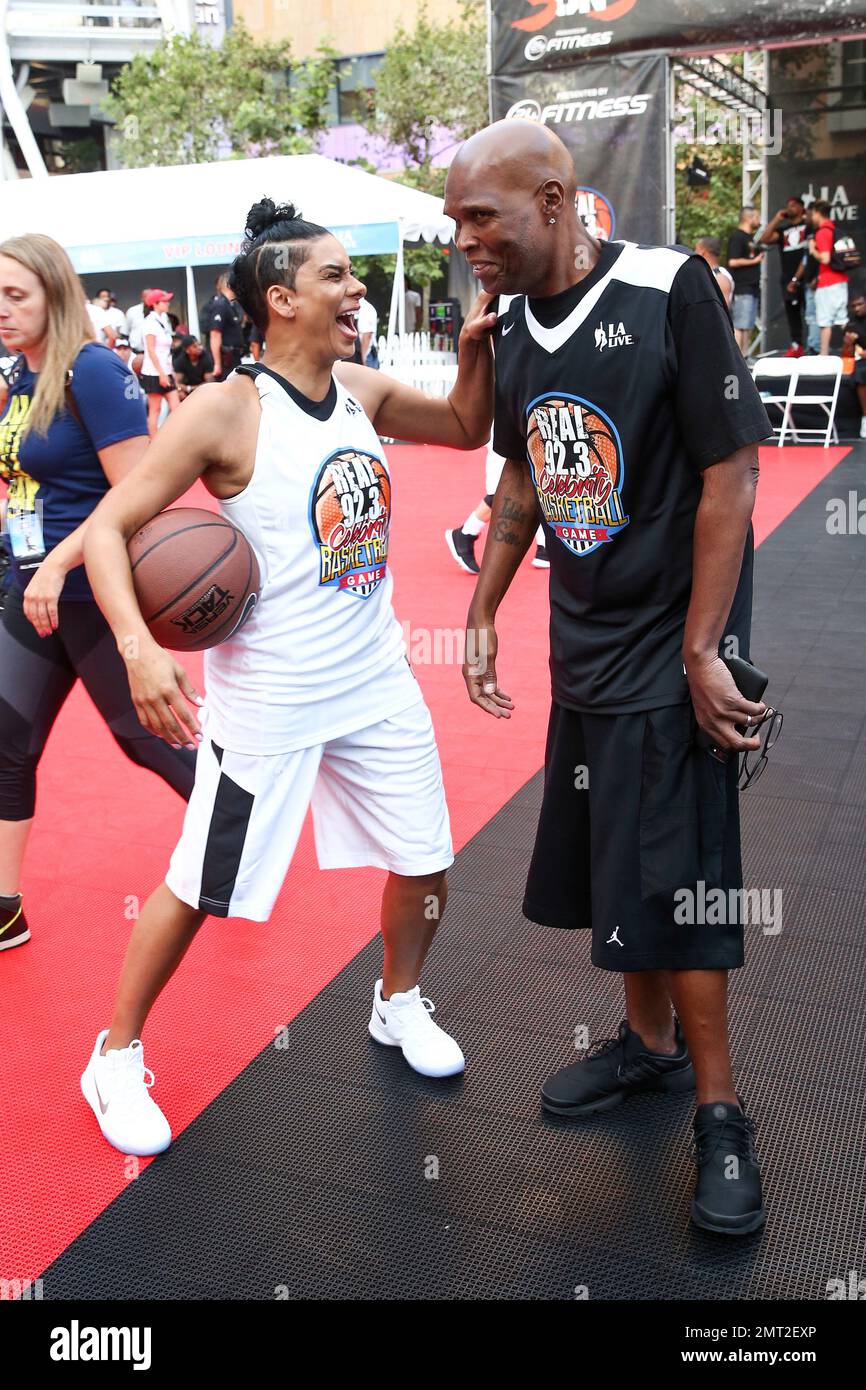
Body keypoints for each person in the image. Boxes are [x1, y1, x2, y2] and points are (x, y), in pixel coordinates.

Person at [79, 196, 496, 1157]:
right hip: (270, 701)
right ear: (281, 299)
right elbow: (107, 531)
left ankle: (397, 1000)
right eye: (336, 277)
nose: (357, 291)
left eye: (354, 275)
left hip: (376, 680)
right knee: (199, 887)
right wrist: (142, 650)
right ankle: (112, 1053)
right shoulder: (225, 410)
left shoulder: (362, 390)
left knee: (426, 856)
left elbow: (471, 425)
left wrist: (477, 341)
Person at [445, 121, 773, 1237]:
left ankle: (721, 1117)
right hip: (583, 641)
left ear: (552, 198)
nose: (463, 240)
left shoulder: (669, 287)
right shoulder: (515, 331)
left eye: (478, 216)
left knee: (680, 879)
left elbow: (731, 472)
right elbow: (525, 479)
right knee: (616, 863)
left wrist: (699, 649)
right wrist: (483, 607)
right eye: (454, 220)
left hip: (670, 639)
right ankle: (646, 1051)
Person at [0, 234, 196, 953]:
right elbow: (29, 484)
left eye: (15, 295)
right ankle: (4, 907)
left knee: (146, 739)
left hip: (88, 592)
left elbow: (138, 495)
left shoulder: (94, 370)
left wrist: (56, 563)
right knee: (6, 744)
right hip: (26, 593)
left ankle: (236, 827)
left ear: (54, 292)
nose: (1, 309)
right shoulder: (22, 375)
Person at [445, 441, 548, 574]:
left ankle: (544, 546)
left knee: (538, 482)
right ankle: (466, 533)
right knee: (504, 492)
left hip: (526, 428)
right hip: (502, 430)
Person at [757, 196, 808, 356]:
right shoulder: (783, 230)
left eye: (794, 205)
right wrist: (777, 219)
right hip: (787, 277)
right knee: (792, 313)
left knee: (812, 312)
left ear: (801, 207)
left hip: (807, 277)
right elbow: (763, 239)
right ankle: (796, 345)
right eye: (788, 205)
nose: (790, 208)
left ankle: (815, 347)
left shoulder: (808, 227)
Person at [808, 200, 849, 355]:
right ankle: (858, 349)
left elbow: (825, 259)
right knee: (842, 320)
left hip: (828, 282)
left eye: (813, 214)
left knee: (825, 321)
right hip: (840, 281)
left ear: (818, 213)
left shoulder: (822, 232)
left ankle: (823, 355)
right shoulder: (834, 230)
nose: (811, 218)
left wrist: (813, 250)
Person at [140, 288, 180, 437]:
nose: (167, 303)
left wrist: (171, 372)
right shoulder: (149, 322)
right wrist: (162, 374)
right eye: (164, 301)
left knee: (176, 407)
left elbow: (165, 352)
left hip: (166, 370)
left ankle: (177, 436)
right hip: (154, 372)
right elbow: (151, 350)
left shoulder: (163, 320)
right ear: (155, 304)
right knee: (155, 410)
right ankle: (153, 441)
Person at [727, 207, 764, 354]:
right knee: (740, 324)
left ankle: (746, 355)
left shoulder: (750, 238)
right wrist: (754, 261)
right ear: (749, 218)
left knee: (748, 324)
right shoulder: (737, 236)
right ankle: (738, 358)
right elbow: (733, 262)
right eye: (757, 216)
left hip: (753, 286)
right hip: (742, 286)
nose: (759, 220)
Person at [200, 273, 245, 381]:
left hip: (234, 356)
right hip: (225, 358)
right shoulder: (220, 305)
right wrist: (217, 363)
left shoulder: (232, 305)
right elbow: (215, 334)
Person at [843, 292, 866, 438]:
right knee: (861, 373)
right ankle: (865, 417)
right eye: (854, 306)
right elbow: (847, 355)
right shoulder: (851, 325)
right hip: (862, 361)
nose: (857, 308)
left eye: (860, 304)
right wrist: (848, 344)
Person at [694, 236, 734, 309]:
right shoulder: (707, 273)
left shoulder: (720, 277)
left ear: (702, 252)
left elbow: (721, 310)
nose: (694, 253)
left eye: (696, 249)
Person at [358, 295, 379, 368]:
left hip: (368, 353)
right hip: (367, 352)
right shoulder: (365, 308)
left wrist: (364, 358)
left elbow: (367, 335)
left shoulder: (365, 309)